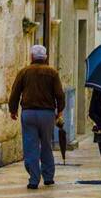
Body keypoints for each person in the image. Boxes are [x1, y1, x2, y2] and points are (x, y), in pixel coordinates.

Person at [8, 44, 66, 189]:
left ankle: (34, 179)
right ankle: (48, 177)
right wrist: (60, 111)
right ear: (45, 57)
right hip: (47, 114)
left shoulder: (24, 72)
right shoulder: (52, 73)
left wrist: (13, 110)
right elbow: (60, 94)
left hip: (29, 114)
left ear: (32, 57)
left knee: (30, 145)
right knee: (46, 144)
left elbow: (15, 92)